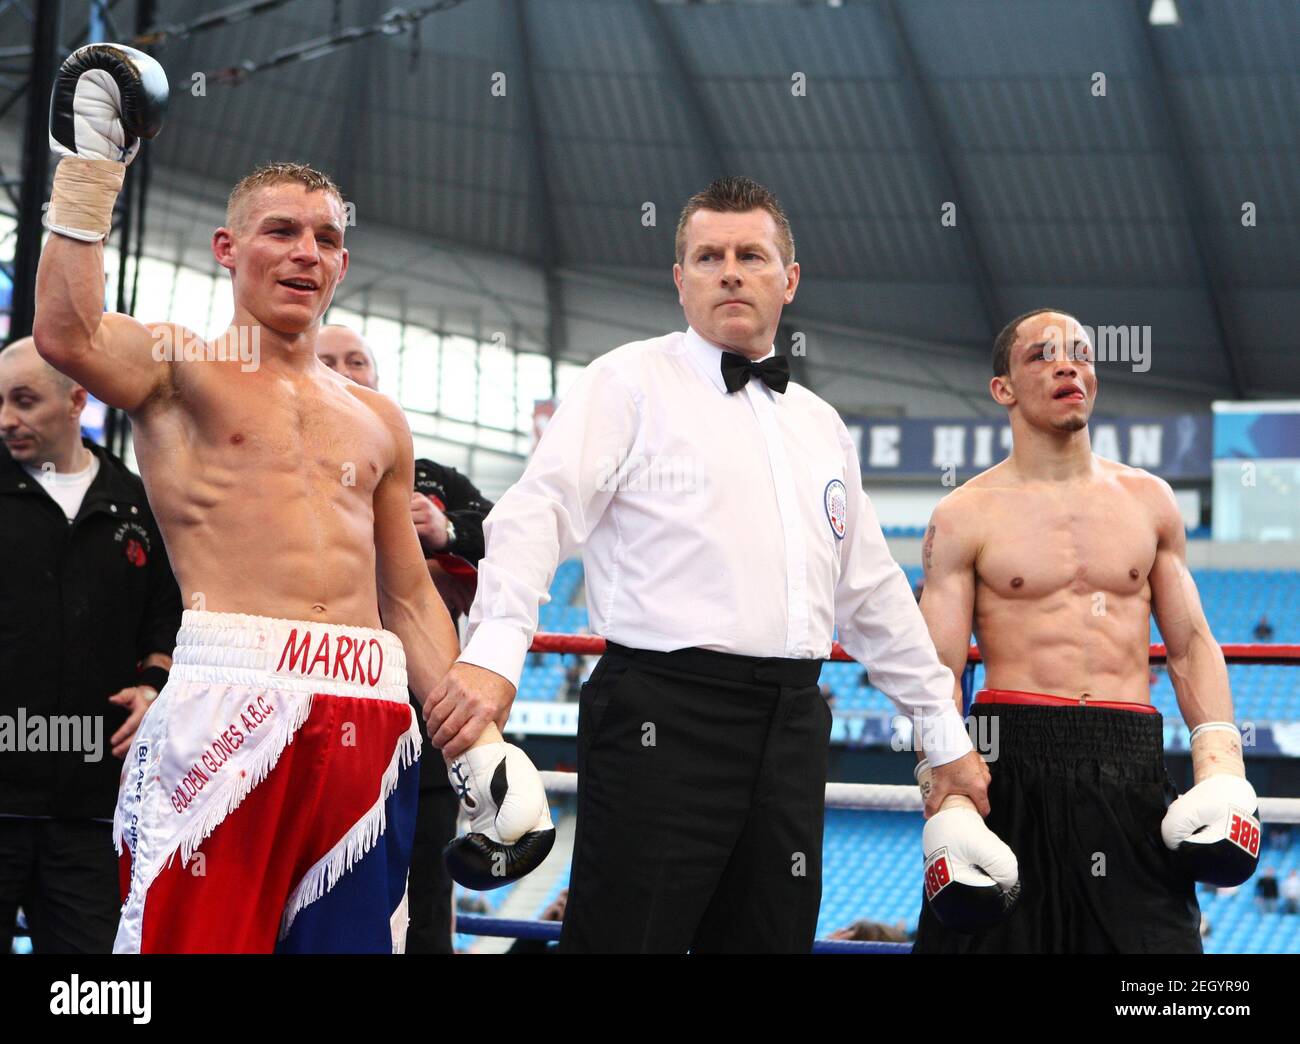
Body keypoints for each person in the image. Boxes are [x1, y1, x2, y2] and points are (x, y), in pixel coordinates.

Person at [33, 43, 550, 953]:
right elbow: (67, 333)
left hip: (371, 711)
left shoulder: (379, 419)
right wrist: (89, 171)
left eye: (326, 238)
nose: (306, 252)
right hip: (229, 695)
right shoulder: (179, 365)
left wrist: (475, 744)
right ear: (228, 249)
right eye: (281, 231)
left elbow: (406, 595)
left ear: (342, 264)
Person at [424, 175, 988, 953]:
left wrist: (943, 734)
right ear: (680, 280)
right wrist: (494, 652)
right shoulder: (625, 382)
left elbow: (872, 593)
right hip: (660, 710)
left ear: (787, 280)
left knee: (770, 941)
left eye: (751, 255)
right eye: (708, 255)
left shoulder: (820, 423)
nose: (730, 270)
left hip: (793, 722)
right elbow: (537, 513)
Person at [912, 309, 1259, 954]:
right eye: (1042, 355)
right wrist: (948, 794)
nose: (1068, 364)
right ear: (1003, 389)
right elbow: (936, 668)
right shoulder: (962, 515)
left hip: (1128, 759)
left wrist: (1219, 763)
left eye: (1080, 353)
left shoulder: (1150, 501)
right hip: (1005, 762)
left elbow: (1189, 644)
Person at [316, 325, 495, 954]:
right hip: (311, 715)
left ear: (378, 377)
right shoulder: (278, 463)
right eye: (327, 360)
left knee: (423, 904)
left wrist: (448, 529)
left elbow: (510, 537)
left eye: (356, 360)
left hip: (419, 726)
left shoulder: (432, 475)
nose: (344, 371)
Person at [0, 339, 181, 953]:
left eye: (23, 402)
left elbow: (169, 612)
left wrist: (155, 683)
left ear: (77, 398)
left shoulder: (137, 500)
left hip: (91, 810)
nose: (6, 419)